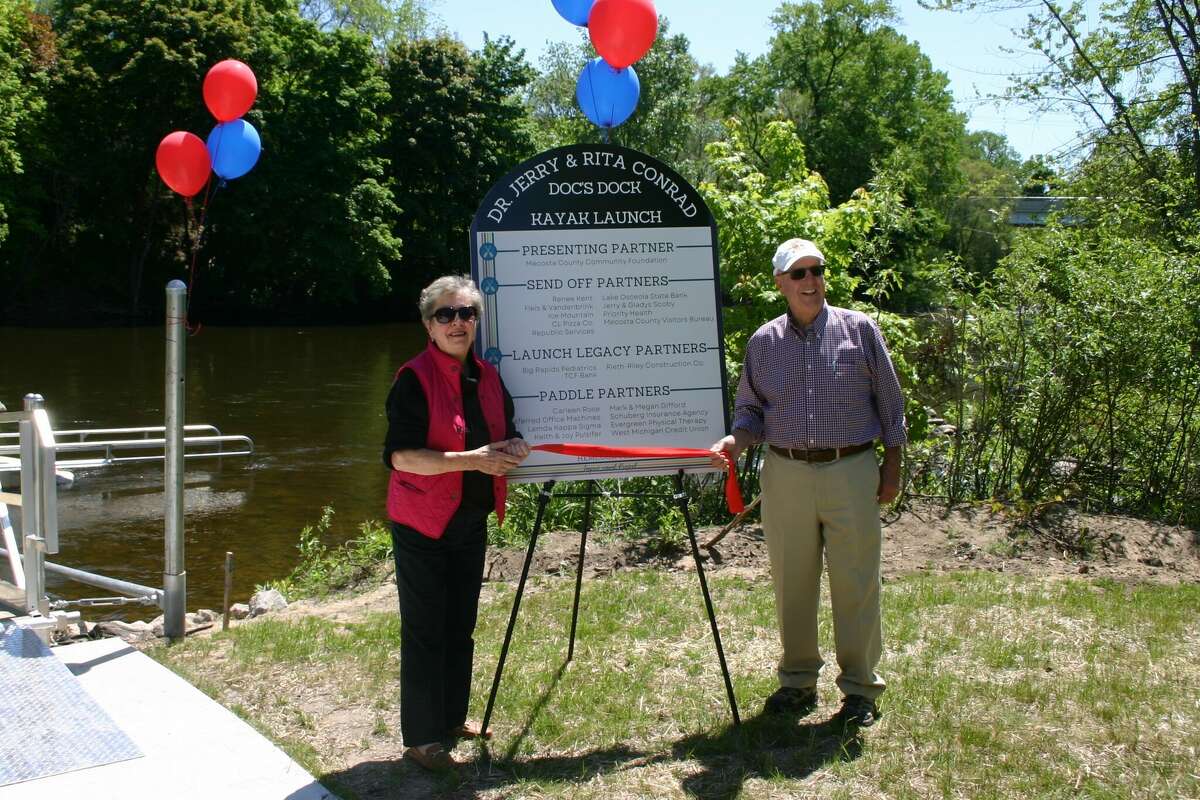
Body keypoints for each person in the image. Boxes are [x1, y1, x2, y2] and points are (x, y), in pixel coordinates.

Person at [710, 238, 906, 728]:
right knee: (792, 581)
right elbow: (751, 412)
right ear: (780, 283)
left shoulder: (859, 330)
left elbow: (891, 401)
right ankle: (797, 680)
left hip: (851, 468)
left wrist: (893, 465)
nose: (810, 281)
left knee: (856, 581)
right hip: (786, 472)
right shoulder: (763, 342)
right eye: (798, 274)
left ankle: (860, 689)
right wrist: (736, 440)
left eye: (816, 271)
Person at [382, 274, 530, 771]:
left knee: (460, 624)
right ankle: (422, 739)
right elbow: (402, 457)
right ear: (429, 325)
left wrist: (514, 448)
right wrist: (474, 460)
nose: (458, 323)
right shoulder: (413, 378)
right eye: (446, 314)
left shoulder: (488, 377)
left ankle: (450, 718)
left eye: (466, 313)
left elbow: (503, 434)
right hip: (422, 523)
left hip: (470, 519)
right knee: (425, 629)